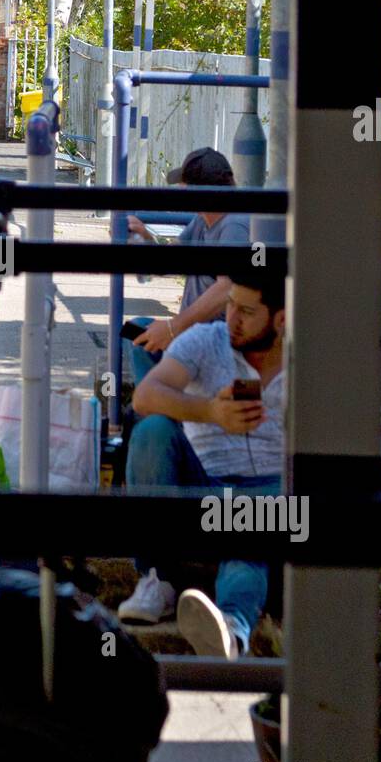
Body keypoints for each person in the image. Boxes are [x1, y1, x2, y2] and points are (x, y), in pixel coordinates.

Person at [119, 271, 285, 661]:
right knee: (152, 430)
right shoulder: (207, 341)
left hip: (272, 494)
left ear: (280, 319)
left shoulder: (307, 359)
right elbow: (146, 395)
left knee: (251, 521)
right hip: (205, 481)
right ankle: (157, 577)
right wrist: (210, 411)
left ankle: (230, 630)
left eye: (246, 311)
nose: (232, 319)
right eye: (230, 305)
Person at [125, 147, 251, 386]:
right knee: (134, 332)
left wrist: (173, 328)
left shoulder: (234, 224)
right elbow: (171, 261)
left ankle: (162, 410)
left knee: (140, 338)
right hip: (192, 333)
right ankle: (157, 402)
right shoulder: (203, 219)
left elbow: (227, 287)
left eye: (183, 186)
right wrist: (143, 236)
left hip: (216, 341)